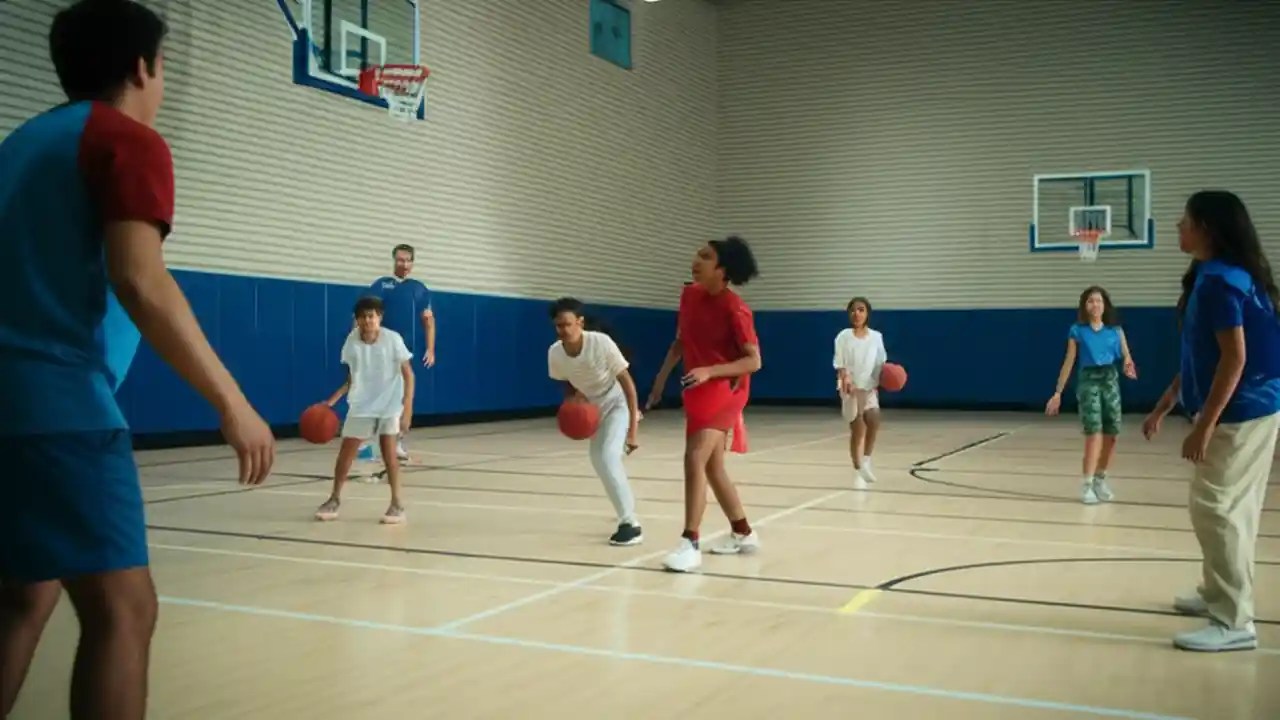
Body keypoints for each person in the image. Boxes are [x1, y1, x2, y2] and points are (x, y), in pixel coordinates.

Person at [0, 3, 276, 717]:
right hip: (60, 408)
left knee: (24, 595)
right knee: (125, 609)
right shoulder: (126, 140)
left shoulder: (21, 146)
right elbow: (140, 278)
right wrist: (231, 401)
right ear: (143, 66)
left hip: (11, 411)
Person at [1143, 190, 1280, 653]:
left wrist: (1205, 425)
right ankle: (1217, 594)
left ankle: (1234, 621)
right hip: (1254, 406)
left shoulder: (1222, 281)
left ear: (1207, 228)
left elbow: (1235, 359)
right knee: (1223, 509)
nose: (1178, 226)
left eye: (1185, 220)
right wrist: (1167, 403)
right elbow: (1204, 355)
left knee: (1218, 510)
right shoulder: (1220, 275)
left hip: (1243, 410)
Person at [662, 237, 763, 573]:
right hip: (698, 385)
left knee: (694, 457)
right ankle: (743, 532)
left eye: (706, 257)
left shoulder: (736, 308)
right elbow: (681, 342)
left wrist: (710, 370)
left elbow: (754, 361)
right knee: (712, 466)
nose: (696, 260)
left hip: (727, 386)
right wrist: (660, 380)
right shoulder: (689, 295)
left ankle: (690, 542)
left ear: (723, 270)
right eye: (697, 254)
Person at [547, 298, 643, 546]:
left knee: (609, 457)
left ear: (580, 322)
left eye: (567, 324)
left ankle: (630, 523)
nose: (563, 330)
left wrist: (633, 430)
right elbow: (566, 381)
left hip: (616, 402)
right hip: (592, 408)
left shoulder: (601, 343)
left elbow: (628, 385)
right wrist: (573, 400)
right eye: (558, 326)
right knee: (599, 461)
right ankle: (625, 512)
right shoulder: (555, 353)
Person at [315, 297, 415, 525]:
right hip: (362, 404)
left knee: (389, 453)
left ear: (380, 317)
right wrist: (331, 401)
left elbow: (409, 374)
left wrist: (407, 408)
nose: (368, 320)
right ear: (357, 320)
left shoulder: (393, 339)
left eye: (372, 316)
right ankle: (334, 499)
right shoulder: (351, 341)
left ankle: (397, 504)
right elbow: (352, 378)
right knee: (346, 453)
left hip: (390, 403)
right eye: (363, 316)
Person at [1045, 286, 1138, 504]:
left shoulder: (1116, 331)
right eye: (1090, 301)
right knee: (1093, 432)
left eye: (1098, 301)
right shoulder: (1077, 331)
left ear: (1105, 305)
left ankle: (1100, 479)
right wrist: (1058, 392)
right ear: (1085, 306)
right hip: (1089, 381)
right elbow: (1069, 361)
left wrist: (1128, 366)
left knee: (1112, 433)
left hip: (1110, 380)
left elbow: (1127, 358)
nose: (1095, 305)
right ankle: (1086, 484)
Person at [360, 243, 435, 466]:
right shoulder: (381, 285)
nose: (403, 264)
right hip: (379, 349)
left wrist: (431, 349)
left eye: (407, 260)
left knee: (401, 397)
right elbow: (363, 315)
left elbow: (429, 322)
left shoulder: (419, 289)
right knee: (376, 395)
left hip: (404, 352)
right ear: (394, 261)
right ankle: (367, 444)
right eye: (399, 260)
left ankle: (397, 442)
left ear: (412, 263)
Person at [833, 296, 887, 489]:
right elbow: (839, 362)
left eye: (861, 310)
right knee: (858, 428)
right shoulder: (843, 336)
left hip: (869, 387)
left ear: (867, 314)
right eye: (853, 310)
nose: (857, 313)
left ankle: (866, 459)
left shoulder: (876, 337)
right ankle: (857, 466)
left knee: (874, 420)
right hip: (850, 388)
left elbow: (881, 362)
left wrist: (887, 377)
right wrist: (845, 376)